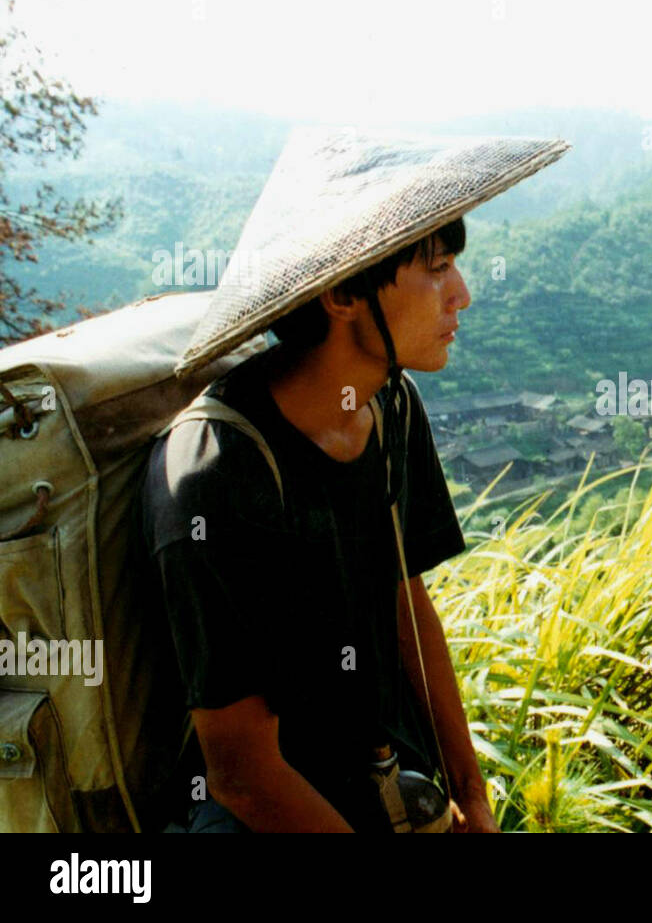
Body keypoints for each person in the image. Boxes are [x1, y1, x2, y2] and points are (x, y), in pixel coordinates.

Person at [140, 128, 569, 832]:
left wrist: (472, 793)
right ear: (342, 291)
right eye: (435, 269)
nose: (461, 294)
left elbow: (405, 600)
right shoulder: (216, 474)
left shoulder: (390, 405)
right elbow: (243, 775)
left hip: (381, 777)